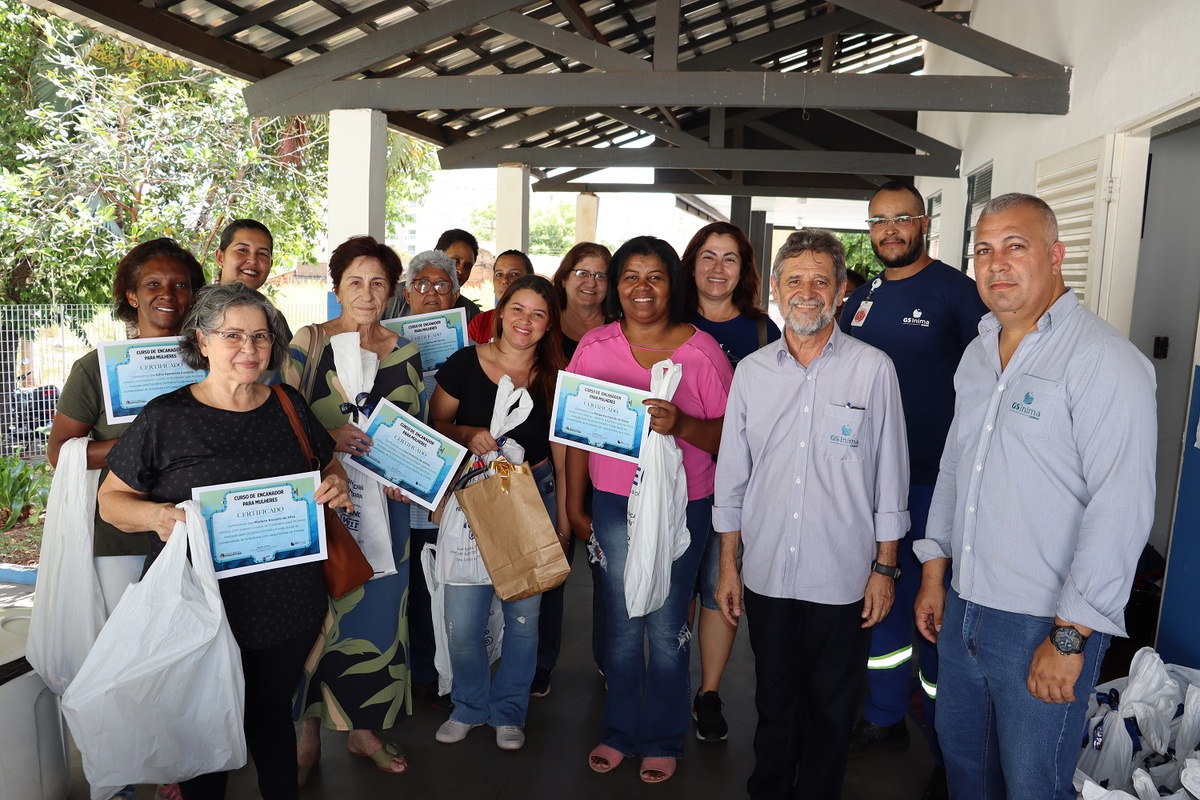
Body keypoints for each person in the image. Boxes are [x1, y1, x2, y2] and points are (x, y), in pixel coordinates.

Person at [913, 193, 1157, 800]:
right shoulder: (975, 353)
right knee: (966, 767)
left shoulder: (1104, 360)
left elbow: (1120, 507)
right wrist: (935, 571)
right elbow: (954, 465)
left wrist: (1070, 637)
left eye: (1014, 247)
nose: (997, 264)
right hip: (964, 603)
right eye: (984, 251)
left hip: (1043, 623)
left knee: (1032, 786)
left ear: (1055, 255)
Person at [98, 282, 353, 800]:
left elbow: (325, 460)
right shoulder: (166, 416)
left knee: (269, 717)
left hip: (287, 600)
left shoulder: (286, 403)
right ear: (203, 341)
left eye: (260, 336)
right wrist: (158, 516)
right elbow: (111, 501)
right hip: (201, 602)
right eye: (233, 335)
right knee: (202, 724)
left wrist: (337, 480)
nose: (250, 349)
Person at [713, 228, 910, 800]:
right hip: (768, 569)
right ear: (775, 288)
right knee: (773, 702)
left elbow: (891, 476)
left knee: (832, 709)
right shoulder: (752, 372)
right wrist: (729, 564)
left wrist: (886, 567)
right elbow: (732, 478)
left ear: (841, 289)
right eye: (794, 280)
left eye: (820, 281)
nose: (806, 292)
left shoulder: (873, 370)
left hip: (844, 573)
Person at [839, 182, 989, 797]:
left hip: (934, 484)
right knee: (881, 606)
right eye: (879, 220)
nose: (891, 230)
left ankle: (948, 747)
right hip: (869, 486)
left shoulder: (958, 292)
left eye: (903, 218)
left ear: (923, 222)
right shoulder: (862, 299)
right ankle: (881, 717)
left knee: (934, 616)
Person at [565, 236, 732, 784]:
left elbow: (730, 438)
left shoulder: (701, 353)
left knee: (665, 624)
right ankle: (618, 731)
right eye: (630, 276)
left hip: (684, 504)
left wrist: (681, 425)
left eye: (655, 276)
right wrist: (573, 503)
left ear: (673, 285)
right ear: (616, 287)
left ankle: (661, 736)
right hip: (613, 501)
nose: (642, 287)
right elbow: (572, 432)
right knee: (618, 620)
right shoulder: (594, 347)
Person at [284, 236, 425, 780]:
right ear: (337, 286)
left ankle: (365, 732)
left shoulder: (405, 350)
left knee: (379, 619)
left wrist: (408, 479)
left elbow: (418, 431)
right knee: (317, 616)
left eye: (378, 283)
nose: (366, 293)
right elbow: (284, 417)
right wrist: (328, 439)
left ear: (392, 292)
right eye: (355, 282)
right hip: (324, 504)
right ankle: (307, 735)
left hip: (385, 514)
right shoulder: (310, 342)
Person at [429, 274, 569, 751]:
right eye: (517, 309)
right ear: (500, 310)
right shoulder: (465, 363)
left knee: (523, 618)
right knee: (463, 620)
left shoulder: (553, 377)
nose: (525, 321)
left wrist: (565, 517)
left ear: (549, 324)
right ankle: (469, 705)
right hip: (471, 497)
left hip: (531, 497)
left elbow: (562, 447)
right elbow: (436, 422)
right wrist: (469, 433)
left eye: (538, 314)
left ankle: (509, 710)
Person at [48, 238, 205, 616]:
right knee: (127, 649)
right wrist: (143, 442)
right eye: (152, 284)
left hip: (202, 530)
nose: (167, 294)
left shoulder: (214, 361)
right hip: (124, 538)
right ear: (132, 296)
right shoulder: (95, 369)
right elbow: (60, 452)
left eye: (180, 284)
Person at [679, 221, 781, 742]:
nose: (718, 269)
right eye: (708, 257)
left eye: (730, 259)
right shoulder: (667, 323)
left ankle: (709, 693)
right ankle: (671, 684)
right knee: (675, 590)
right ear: (691, 263)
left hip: (740, 486)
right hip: (673, 484)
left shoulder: (764, 334)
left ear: (744, 270)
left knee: (722, 589)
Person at [393, 249, 465, 705]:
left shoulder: (472, 352)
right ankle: (419, 671)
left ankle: (453, 669)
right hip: (400, 487)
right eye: (422, 285)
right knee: (413, 587)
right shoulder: (384, 348)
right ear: (406, 293)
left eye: (442, 286)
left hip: (453, 489)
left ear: (456, 294)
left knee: (452, 582)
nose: (432, 294)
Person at [544, 241, 612, 689]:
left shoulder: (621, 331)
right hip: (547, 465)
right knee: (551, 565)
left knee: (609, 568)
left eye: (601, 275)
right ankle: (540, 662)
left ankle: (610, 661)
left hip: (606, 466)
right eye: (582, 272)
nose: (590, 282)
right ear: (564, 277)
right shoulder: (542, 325)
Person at [213, 219, 292, 383]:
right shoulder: (198, 312)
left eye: (262, 254)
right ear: (220, 257)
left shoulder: (275, 319)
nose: (252, 260)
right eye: (242, 250)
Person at [383, 229, 481, 322]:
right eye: (454, 261)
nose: (460, 270)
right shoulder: (394, 295)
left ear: (454, 297)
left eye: (468, 266)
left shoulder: (470, 312)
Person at [467, 249, 533, 343]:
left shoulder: (536, 322)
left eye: (514, 274)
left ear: (530, 281)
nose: (505, 280)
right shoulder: (480, 322)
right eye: (499, 274)